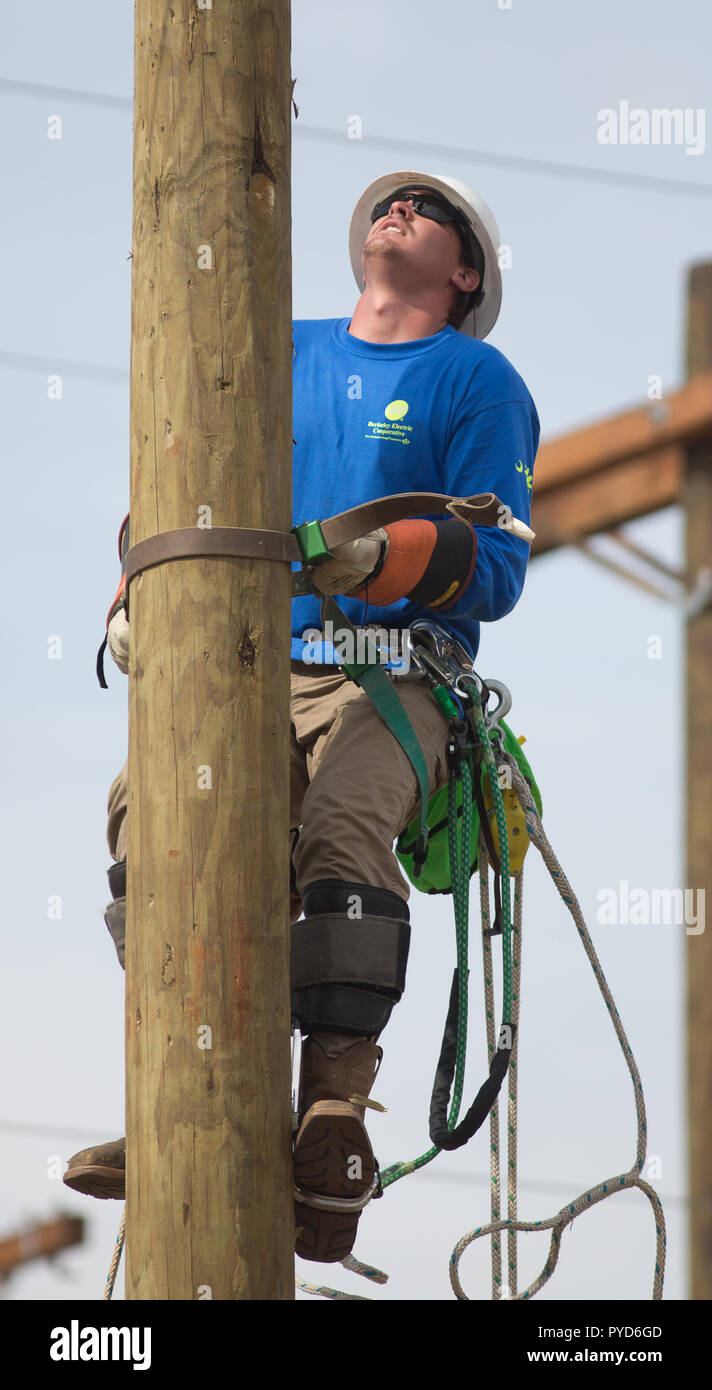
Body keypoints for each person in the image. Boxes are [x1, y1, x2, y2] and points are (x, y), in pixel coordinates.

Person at [64, 171, 540, 1266]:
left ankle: (331, 1115)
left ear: (463, 272)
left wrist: (389, 556)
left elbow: (500, 561)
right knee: (153, 823)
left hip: (393, 672)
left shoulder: (474, 378)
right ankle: (182, 1093)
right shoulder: (271, 343)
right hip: (239, 665)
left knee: (343, 822)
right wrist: (136, 585)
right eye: (390, 201)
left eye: (430, 210)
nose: (399, 208)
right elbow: (179, 470)